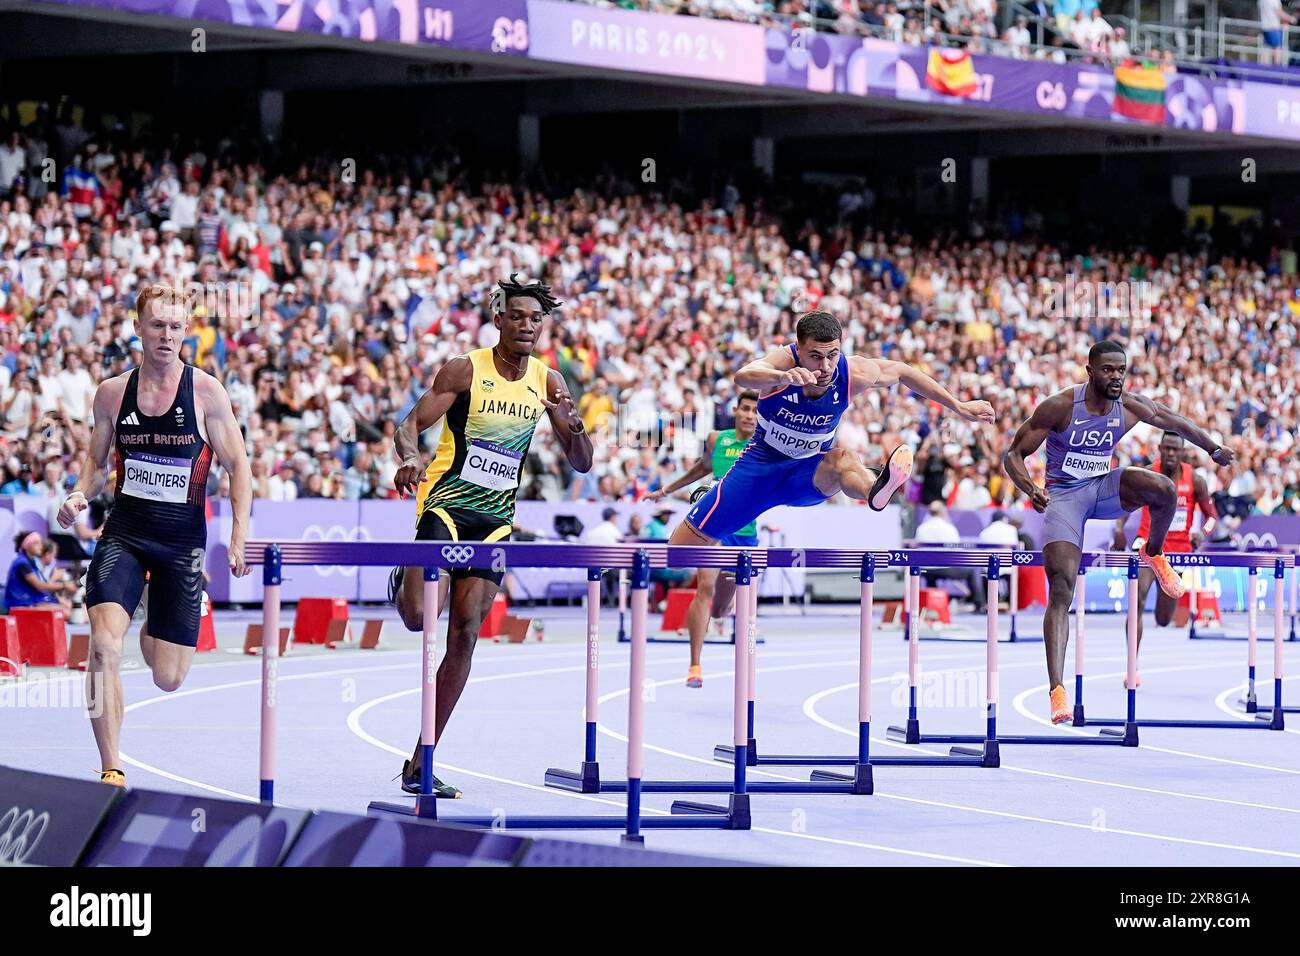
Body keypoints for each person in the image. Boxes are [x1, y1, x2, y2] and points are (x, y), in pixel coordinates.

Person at [388, 275, 592, 799]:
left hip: (496, 519)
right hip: (447, 505)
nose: (527, 325)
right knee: (417, 619)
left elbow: (582, 463)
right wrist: (410, 457)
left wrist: (575, 424)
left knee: (464, 637)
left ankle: (420, 759)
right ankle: (404, 576)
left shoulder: (549, 382)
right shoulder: (465, 369)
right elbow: (408, 425)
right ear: (498, 319)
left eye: (535, 318)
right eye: (517, 316)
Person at [57, 283, 253, 788]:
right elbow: (95, 466)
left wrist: (237, 537)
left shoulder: (207, 392)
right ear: (138, 327)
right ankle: (111, 766)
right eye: (157, 325)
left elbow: (239, 468)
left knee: (169, 676)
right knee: (101, 646)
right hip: (124, 533)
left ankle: (152, 614)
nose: (166, 335)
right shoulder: (111, 393)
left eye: (175, 326)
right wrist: (79, 494)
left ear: (185, 331)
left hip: (181, 544)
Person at [1002, 340, 1235, 724]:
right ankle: (1057, 689)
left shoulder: (1128, 405)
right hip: (1065, 497)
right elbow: (1013, 454)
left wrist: (1212, 448)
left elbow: (1174, 421)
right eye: (1108, 370)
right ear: (1090, 370)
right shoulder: (1060, 406)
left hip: (1104, 488)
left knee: (1163, 488)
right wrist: (1031, 489)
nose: (1116, 378)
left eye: (1121, 370)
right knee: (1062, 588)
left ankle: (1154, 552)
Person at [671, 310, 994, 579]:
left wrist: (959, 407)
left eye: (832, 355)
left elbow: (904, 372)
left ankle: (876, 489)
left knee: (843, 460)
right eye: (815, 356)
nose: (825, 367)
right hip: (759, 469)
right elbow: (744, 375)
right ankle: (720, 580)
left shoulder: (853, 372)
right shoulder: (783, 363)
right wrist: (781, 378)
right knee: (677, 553)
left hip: (808, 473)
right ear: (798, 349)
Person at [647, 389, 760, 687]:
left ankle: (726, 608)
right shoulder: (716, 440)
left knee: (721, 609)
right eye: (745, 409)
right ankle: (695, 665)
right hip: (714, 527)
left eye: (755, 411)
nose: (749, 415)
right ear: (736, 410)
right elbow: (702, 468)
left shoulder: (763, 445)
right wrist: (665, 490)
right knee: (705, 588)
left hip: (745, 533)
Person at [1112, 432, 1217, 681]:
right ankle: (1131, 666)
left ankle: (1160, 614)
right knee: (1136, 600)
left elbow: (1212, 516)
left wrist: (1201, 533)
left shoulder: (1196, 481)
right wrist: (1118, 529)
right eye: (1166, 449)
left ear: (1182, 453)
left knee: (1163, 618)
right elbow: (1123, 505)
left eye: (1175, 450)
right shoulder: (1148, 474)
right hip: (1149, 546)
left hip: (1178, 556)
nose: (1170, 454)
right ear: (1159, 449)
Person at [915, 501, 985, 612]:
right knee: (971, 572)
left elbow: (917, 549)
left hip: (926, 569)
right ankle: (979, 604)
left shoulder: (921, 528)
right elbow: (956, 551)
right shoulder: (949, 528)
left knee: (932, 574)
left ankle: (932, 607)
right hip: (946, 568)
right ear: (943, 512)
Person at [4, 531, 76, 613]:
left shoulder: (31, 563)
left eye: (40, 543)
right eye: (36, 543)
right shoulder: (22, 563)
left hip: (31, 602)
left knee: (73, 610)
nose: (40, 546)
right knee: (68, 613)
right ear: (27, 546)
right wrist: (64, 585)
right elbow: (40, 586)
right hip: (20, 605)